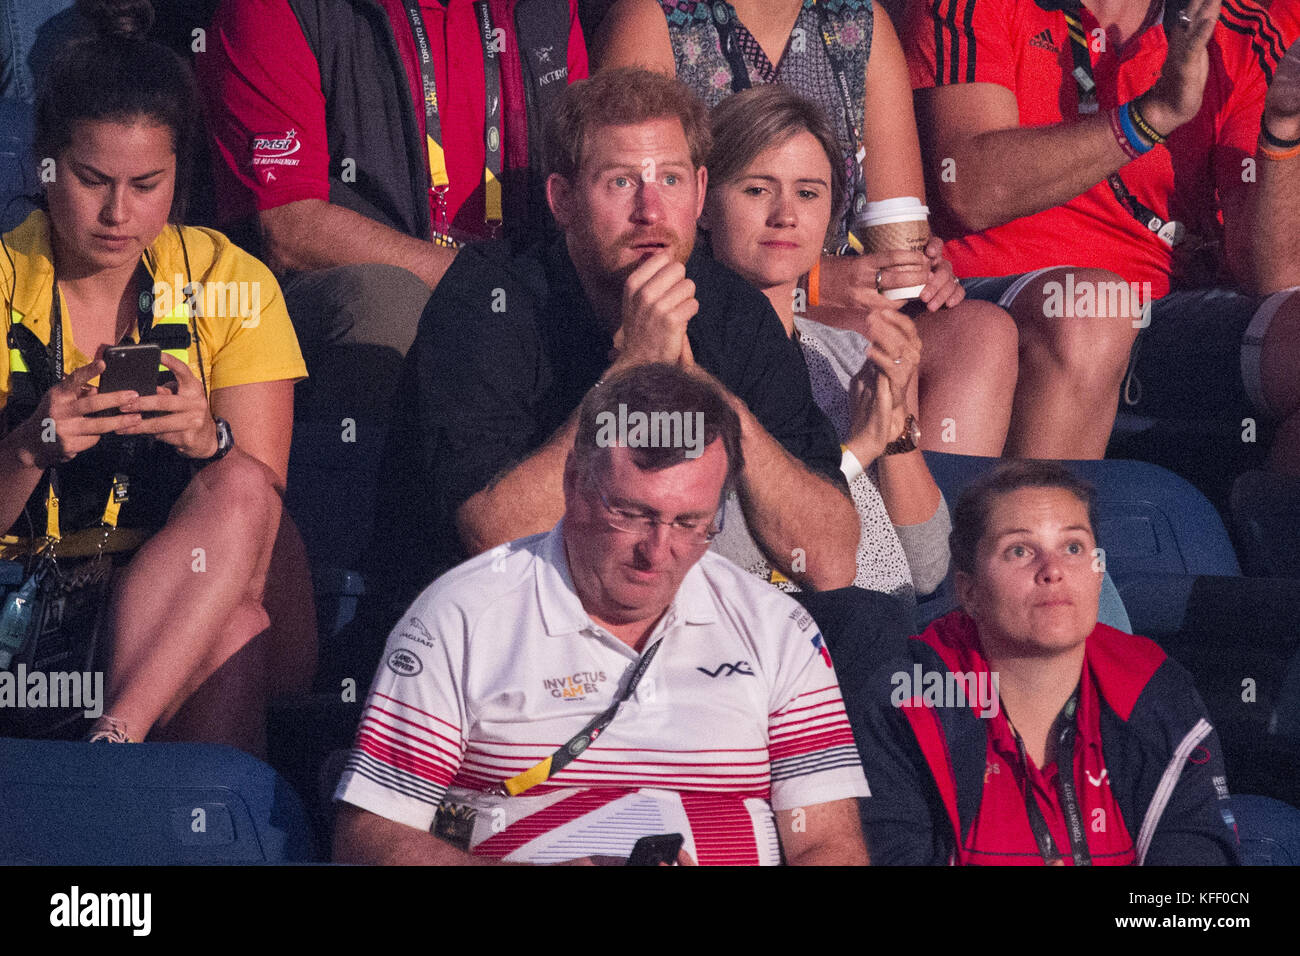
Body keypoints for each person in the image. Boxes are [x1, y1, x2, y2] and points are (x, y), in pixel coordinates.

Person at [333, 363, 871, 865]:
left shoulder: (778, 629)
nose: (658, 551)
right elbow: (372, 833)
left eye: (690, 523)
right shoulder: (461, 615)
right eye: (632, 514)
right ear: (573, 483)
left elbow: (828, 842)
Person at [369, 66, 862, 609]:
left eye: (670, 180)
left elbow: (831, 560)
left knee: (867, 623)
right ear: (562, 200)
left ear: (700, 192)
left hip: (665, 630)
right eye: (621, 182)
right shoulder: (489, 300)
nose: (650, 210)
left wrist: (712, 398)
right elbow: (495, 541)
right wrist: (631, 374)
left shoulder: (733, 312)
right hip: (488, 632)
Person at [0, 0, 314, 754]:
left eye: (147, 183)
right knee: (230, 627)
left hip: (178, 591)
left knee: (240, 487)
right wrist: (27, 449)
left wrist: (208, 441)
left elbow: (255, 526)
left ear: (181, 173)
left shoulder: (227, 281)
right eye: (90, 179)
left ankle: (116, 740)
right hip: (26, 613)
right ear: (44, 165)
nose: (118, 213)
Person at [594, 0, 1020, 456]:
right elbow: (630, 222)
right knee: (878, 340)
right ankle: (834, 497)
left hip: (835, 304)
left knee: (980, 334)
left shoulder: (857, 19)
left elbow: (901, 234)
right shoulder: (651, 20)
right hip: (707, 296)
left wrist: (920, 274)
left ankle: (939, 520)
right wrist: (816, 281)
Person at [906, 0, 1300, 470]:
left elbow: (1276, 278)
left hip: (1157, 321)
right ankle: (1028, 531)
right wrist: (1150, 116)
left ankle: (1256, 528)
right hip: (991, 304)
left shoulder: (1239, 27)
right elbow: (968, 189)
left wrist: (1282, 127)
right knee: (1092, 306)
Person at [197, 0, 589, 417]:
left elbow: (591, 181)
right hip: (330, 306)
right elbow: (292, 228)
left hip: (517, 293)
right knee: (389, 301)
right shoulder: (277, 9)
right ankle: (353, 480)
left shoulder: (546, 9)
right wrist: (488, 285)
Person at [854, 460, 1241, 865]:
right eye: (1019, 551)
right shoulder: (909, 701)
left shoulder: (1155, 691)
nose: (1053, 570)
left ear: (1098, 573)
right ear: (968, 591)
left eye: (1073, 547)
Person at [700, 84, 959, 603]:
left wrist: (894, 433)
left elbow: (928, 567)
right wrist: (857, 450)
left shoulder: (842, 350)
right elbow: (735, 553)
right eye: (756, 190)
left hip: (890, 633)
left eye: (808, 192)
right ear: (704, 204)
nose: (785, 214)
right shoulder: (690, 355)